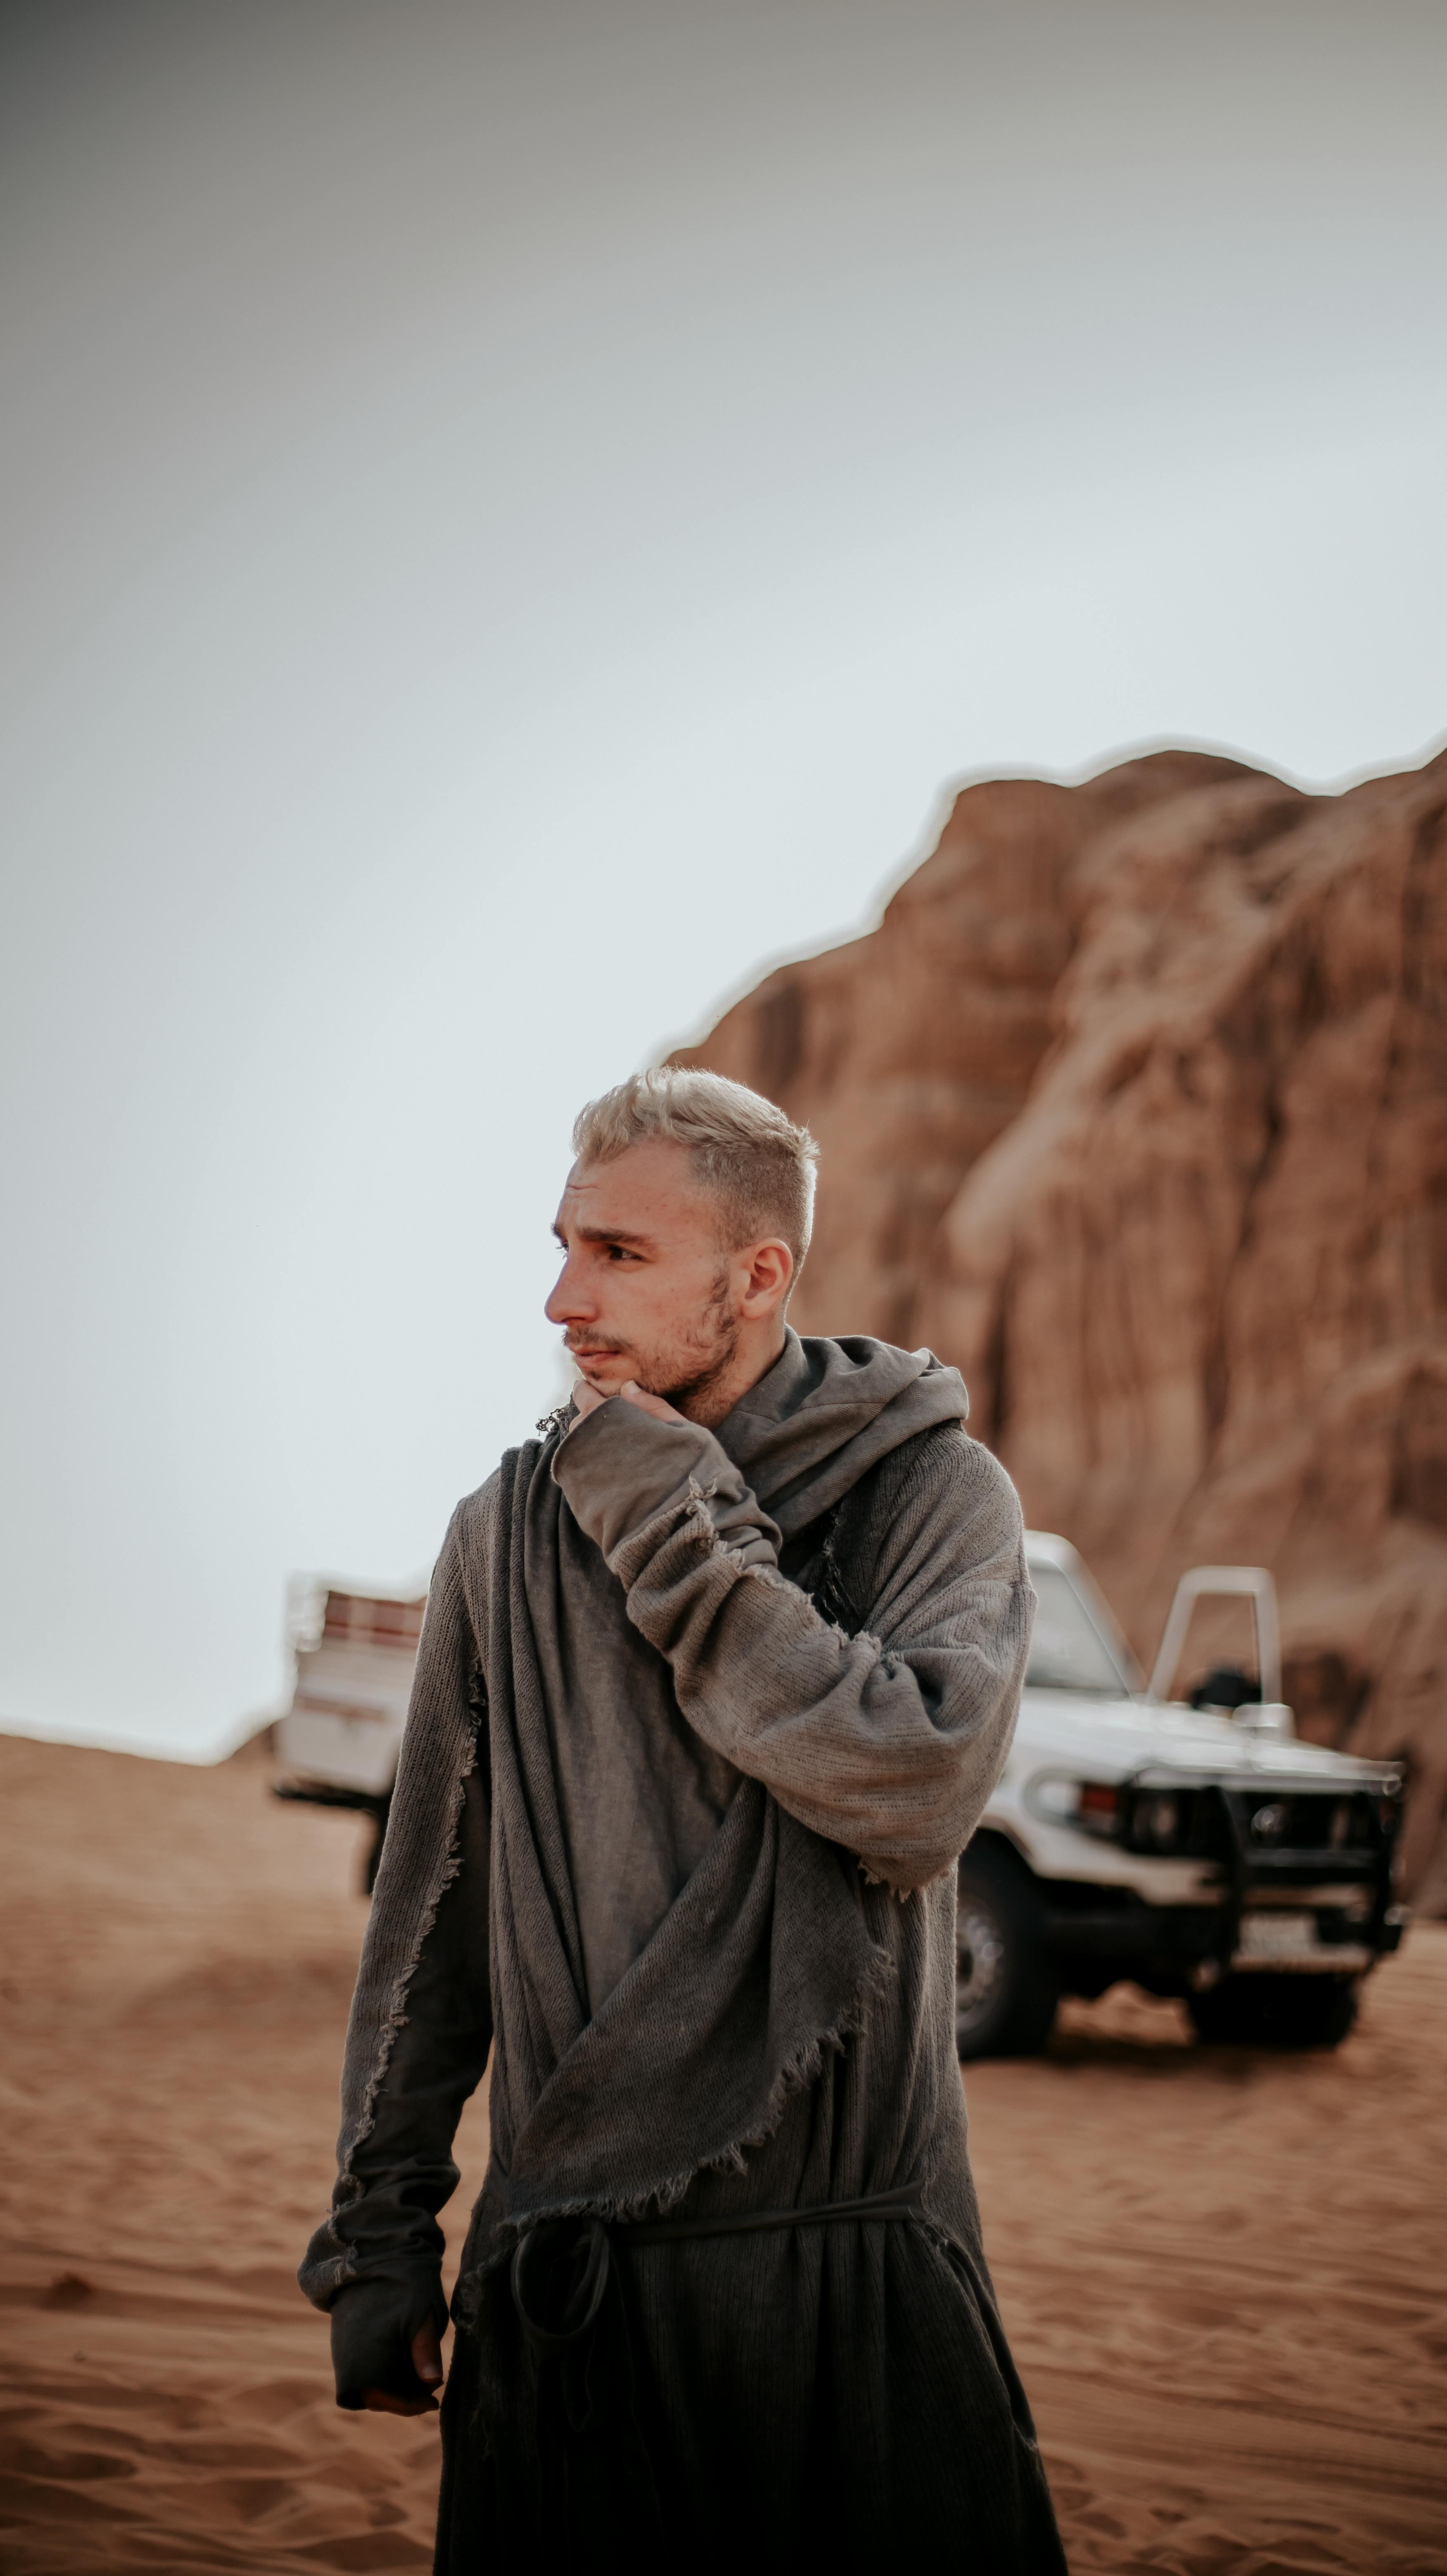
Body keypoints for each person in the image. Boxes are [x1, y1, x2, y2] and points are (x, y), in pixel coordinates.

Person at [300, 1068, 1065, 2573]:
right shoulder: (506, 1532)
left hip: (851, 2297)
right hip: (568, 2290)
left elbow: (910, 1789)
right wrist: (379, 2239)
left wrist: (663, 1513)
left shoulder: (932, 1497)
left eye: (620, 1256)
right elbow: (432, 1914)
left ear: (759, 1275)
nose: (562, 1300)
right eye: (566, 1244)